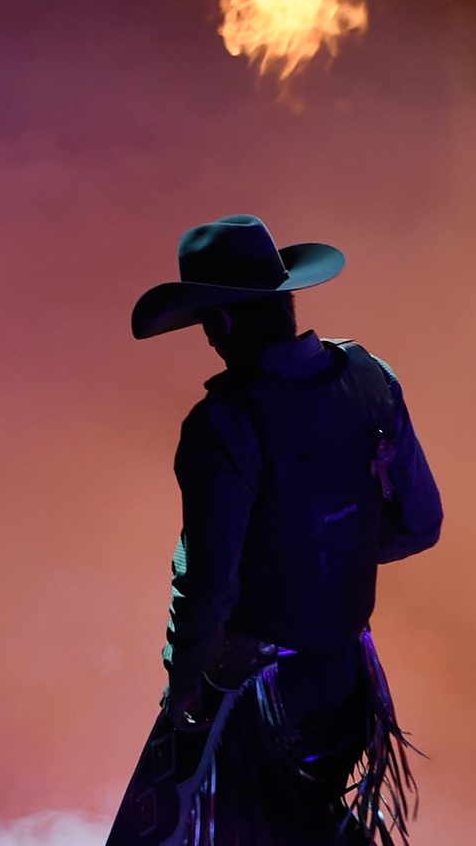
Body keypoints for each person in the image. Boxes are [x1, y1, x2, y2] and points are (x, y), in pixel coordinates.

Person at [107, 215, 443, 846]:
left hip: (254, 688)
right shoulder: (371, 377)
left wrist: (185, 682)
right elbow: (421, 525)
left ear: (223, 321)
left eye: (207, 323)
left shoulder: (224, 423)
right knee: (307, 826)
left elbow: (210, 584)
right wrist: (328, 563)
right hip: (345, 673)